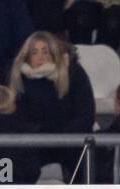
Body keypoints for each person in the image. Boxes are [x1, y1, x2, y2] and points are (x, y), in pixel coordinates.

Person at [10, 31, 96, 181]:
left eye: (45, 51)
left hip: (70, 141)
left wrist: (63, 137)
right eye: (34, 52)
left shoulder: (74, 73)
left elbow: (85, 113)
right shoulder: (19, 78)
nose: (40, 57)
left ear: (54, 54)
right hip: (34, 144)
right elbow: (17, 119)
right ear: (27, 56)